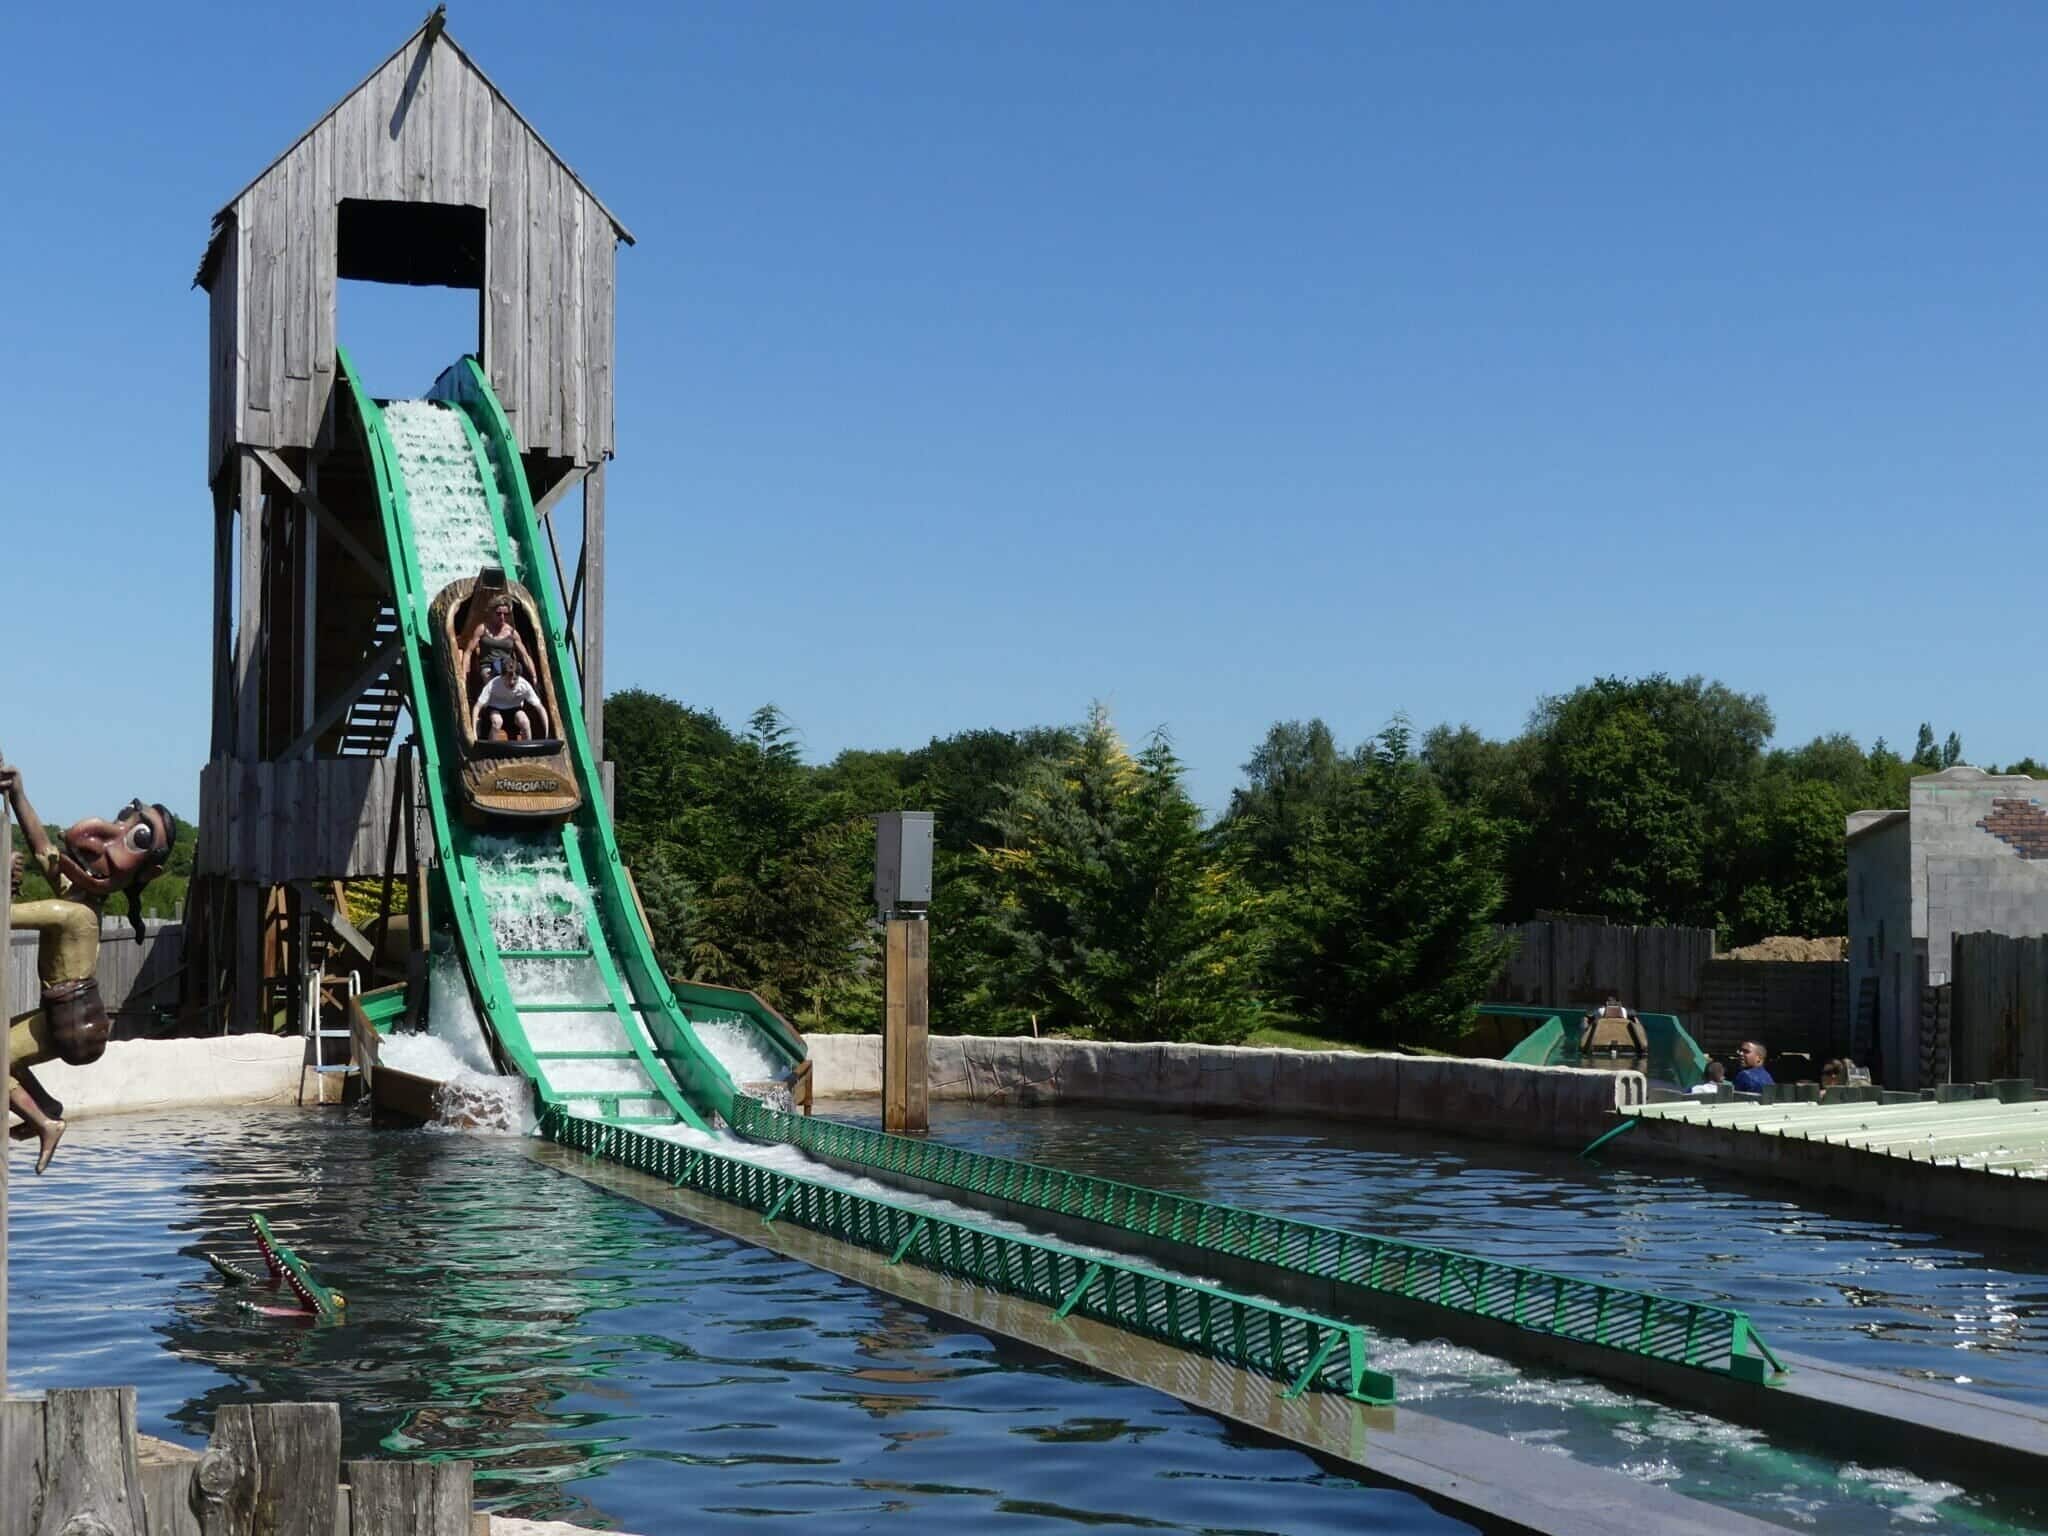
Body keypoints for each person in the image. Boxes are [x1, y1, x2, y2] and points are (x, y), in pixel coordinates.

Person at [4, 763, 175, 1173]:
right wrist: (17, 794)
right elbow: (44, 849)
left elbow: (3, 916)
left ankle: (44, 1122)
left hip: (75, 1024)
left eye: (135, 838)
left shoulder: (72, 915)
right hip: (68, 1014)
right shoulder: (78, 903)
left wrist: (6, 884)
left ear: (143, 873)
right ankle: (46, 1106)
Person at [461, 594, 537, 700]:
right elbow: (468, 652)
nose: (502, 617)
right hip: (488, 667)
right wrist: (464, 675)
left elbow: (525, 656)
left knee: (512, 679)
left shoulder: (512, 633)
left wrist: (534, 676)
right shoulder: (482, 629)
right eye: (498, 613)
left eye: (505, 614)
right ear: (491, 613)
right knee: (495, 686)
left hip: (507, 667)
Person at [472, 655, 547, 743]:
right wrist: (474, 732)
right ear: (502, 676)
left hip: (514, 709)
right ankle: (492, 746)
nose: (512, 682)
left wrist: (546, 732)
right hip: (495, 709)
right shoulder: (493, 684)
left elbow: (540, 707)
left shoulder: (523, 685)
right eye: (508, 679)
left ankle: (527, 745)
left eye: (515, 679)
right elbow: (477, 706)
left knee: (525, 721)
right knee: (497, 721)